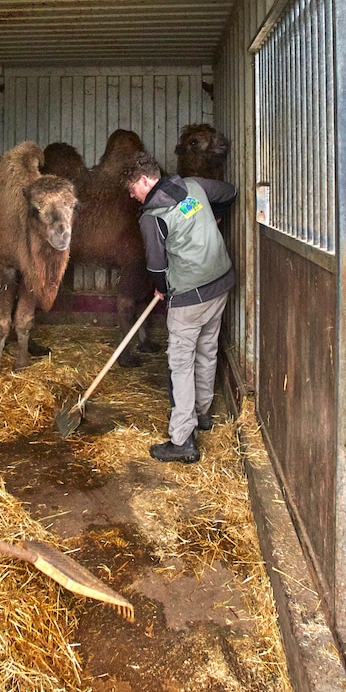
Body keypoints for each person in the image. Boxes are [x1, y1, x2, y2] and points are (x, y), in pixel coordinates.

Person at [125, 151, 236, 463]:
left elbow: (156, 266)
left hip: (189, 298)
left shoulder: (152, 218)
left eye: (133, 188)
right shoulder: (194, 187)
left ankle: (183, 440)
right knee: (207, 349)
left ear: (146, 180)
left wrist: (161, 289)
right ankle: (202, 415)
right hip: (221, 283)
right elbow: (230, 193)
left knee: (180, 364)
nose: (132, 196)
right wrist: (215, 216)